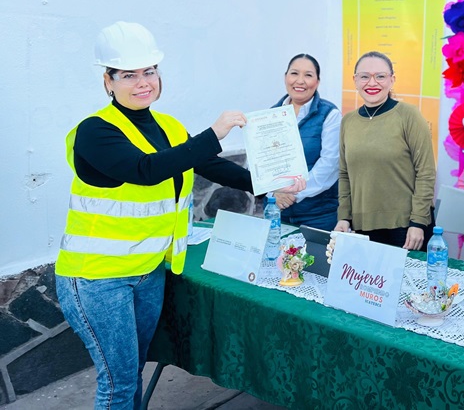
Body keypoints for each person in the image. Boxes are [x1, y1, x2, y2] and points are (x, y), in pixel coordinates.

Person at [55, 21, 304, 410]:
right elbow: (146, 170)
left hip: (148, 271)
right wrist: (215, 131)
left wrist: (271, 183)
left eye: (150, 72)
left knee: (132, 372)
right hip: (97, 278)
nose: (143, 82)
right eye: (128, 75)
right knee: (118, 383)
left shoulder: (169, 127)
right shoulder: (95, 132)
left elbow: (211, 166)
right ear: (108, 81)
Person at [333, 51, 436, 250]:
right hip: (361, 229)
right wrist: (344, 217)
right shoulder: (348, 121)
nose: (372, 83)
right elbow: (344, 174)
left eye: (380, 76)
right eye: (364, 76)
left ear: (392, 79)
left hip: (406, 229)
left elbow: (426, 173)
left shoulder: (409, 115)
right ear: (355, 80)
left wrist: (418, 223)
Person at [270, 54, 340, 231]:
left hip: (318, 216)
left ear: (317, 81)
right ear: (286, 77)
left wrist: (291, 194)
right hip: (277, 212)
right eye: (294, 73)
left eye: (308, 75)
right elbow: (262, 164)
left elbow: (329, 165)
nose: (300, 81)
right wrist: (274, 193)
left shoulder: (330, 115)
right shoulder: (270, 115)